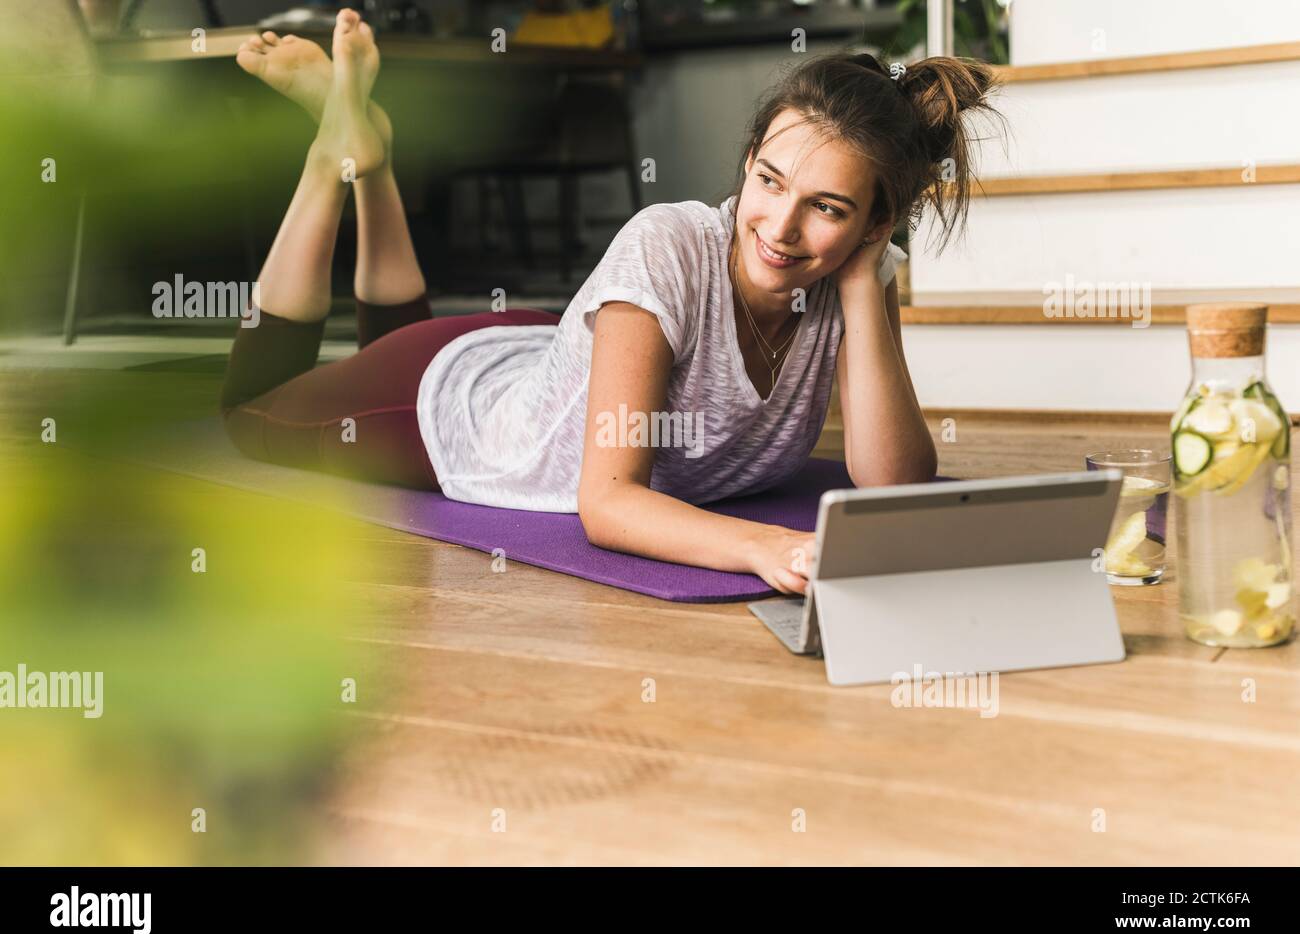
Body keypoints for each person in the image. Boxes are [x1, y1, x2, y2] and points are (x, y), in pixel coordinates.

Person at [222, 8, 1001, 595]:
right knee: (248, 412)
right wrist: (764, 547)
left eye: (829, 208)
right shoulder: (666, 246)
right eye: (768, 180)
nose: (782, 228)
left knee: (390, 341)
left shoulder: (858, 273)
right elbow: (610, 503)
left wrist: (865, 282)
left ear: (876, 222)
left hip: (544, 356)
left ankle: (369, 152)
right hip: (445, 409)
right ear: (749, 159)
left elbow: (893, 485)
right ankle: (335, 158)